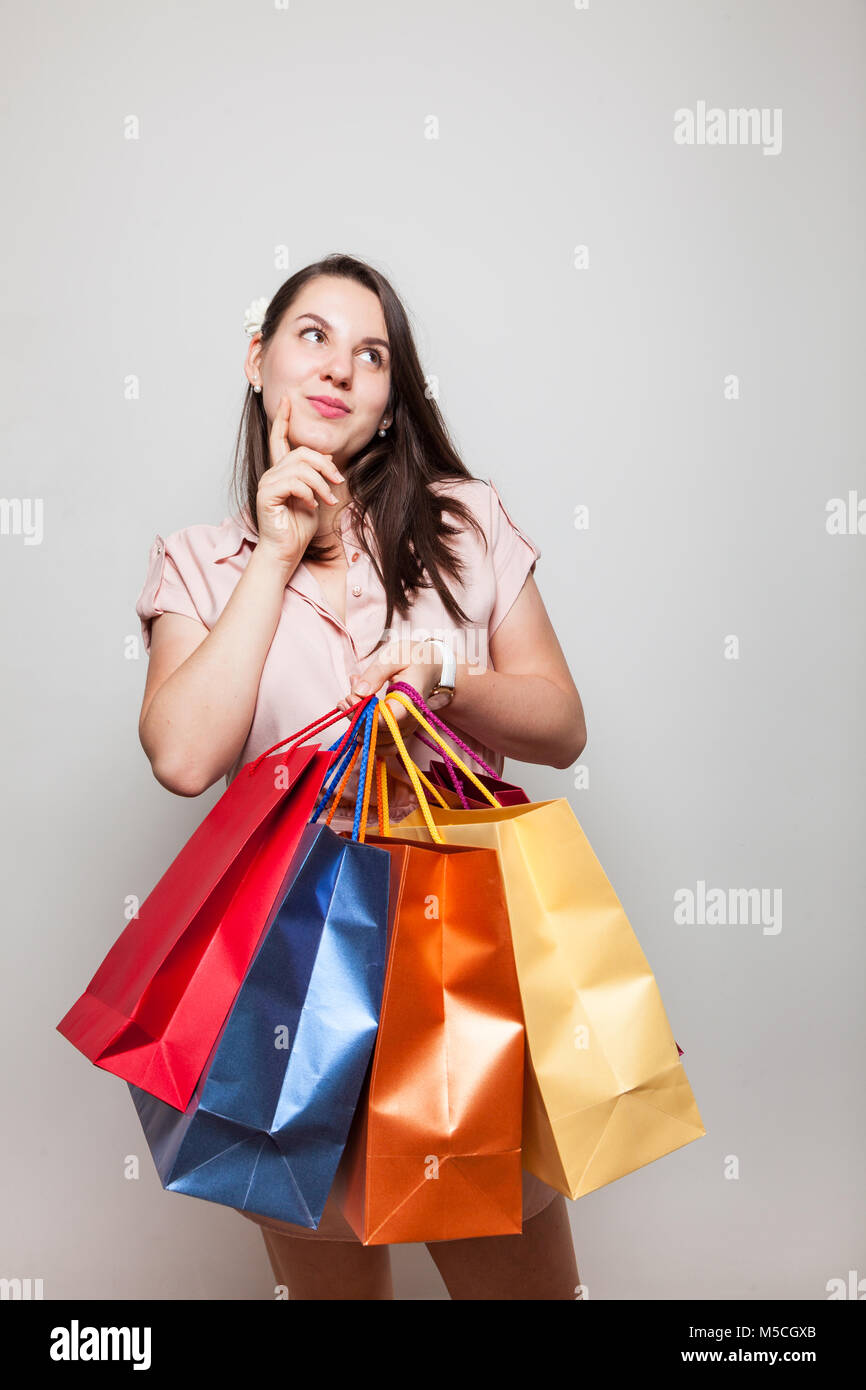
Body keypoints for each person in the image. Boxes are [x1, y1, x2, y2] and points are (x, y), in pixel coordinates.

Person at [135, 252, 587, 1300]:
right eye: (312, 336)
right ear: (258, 361)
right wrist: (276, 550)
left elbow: (561, 724)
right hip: (289, 971)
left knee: (520, 1281)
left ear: (390, 402)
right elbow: (184, 756)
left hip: (459, 947)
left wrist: (446, 676)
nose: (340, 365)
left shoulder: (464, 526)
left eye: (371, 353)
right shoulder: (201, 562)